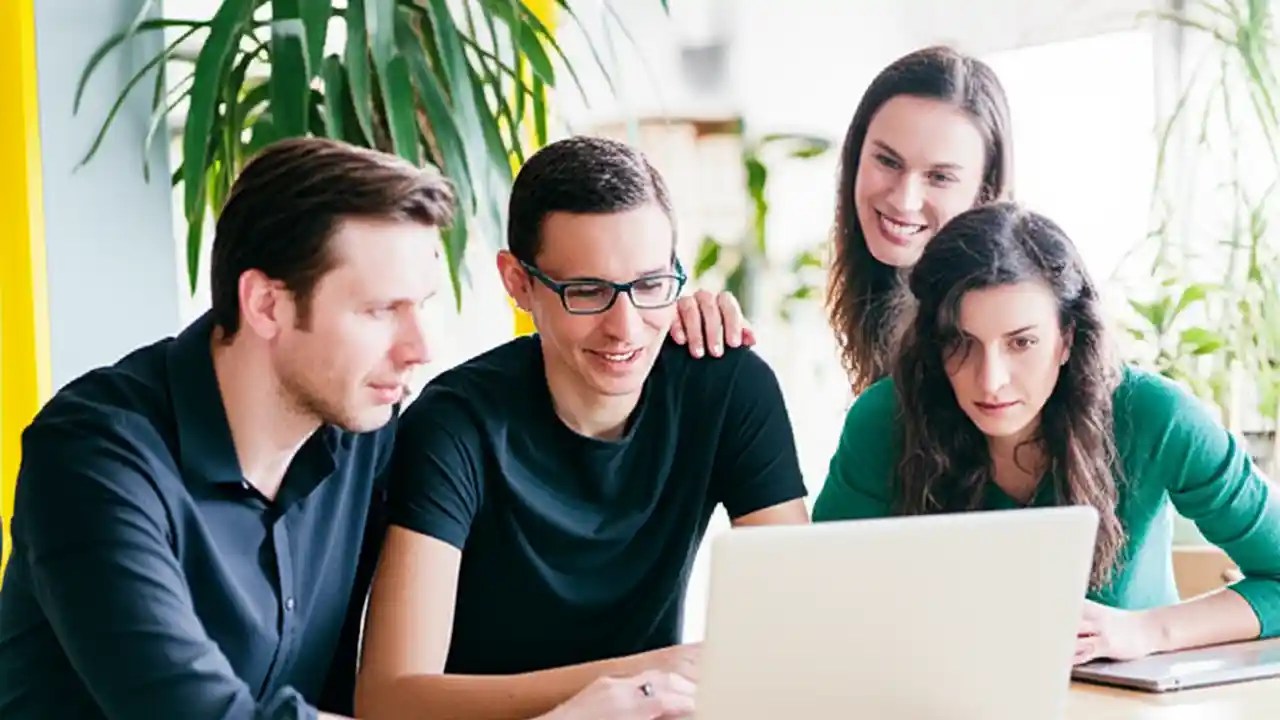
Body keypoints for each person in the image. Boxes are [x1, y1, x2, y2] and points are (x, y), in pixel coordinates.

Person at [0, 137, 695, 720]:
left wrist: (669, 320)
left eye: (421, 305)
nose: (420, 347)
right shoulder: (93, 461)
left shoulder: (364, 429)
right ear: (267, 303)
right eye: (379, 310)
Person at [354, 136, 810, 720]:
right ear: (518, 283)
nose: (625, 328)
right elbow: (389, 699)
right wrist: (638, 679)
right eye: (587, 292)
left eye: (649, 285)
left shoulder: (724, 386)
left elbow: (799, 630)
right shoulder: (455, 426)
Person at [813, 201, 1280, 664]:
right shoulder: (883, 418)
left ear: (1067, 339)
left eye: (1022, 342)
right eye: (961, 342)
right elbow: (819, 596)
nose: (990, 379)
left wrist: (1146, 630)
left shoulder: (1157, 416)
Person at [827, 45, 1014, 393]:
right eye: (887, 161)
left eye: (940, 177)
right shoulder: (882, 302)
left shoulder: (999, 334)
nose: (904, 199)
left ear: (984, 193)